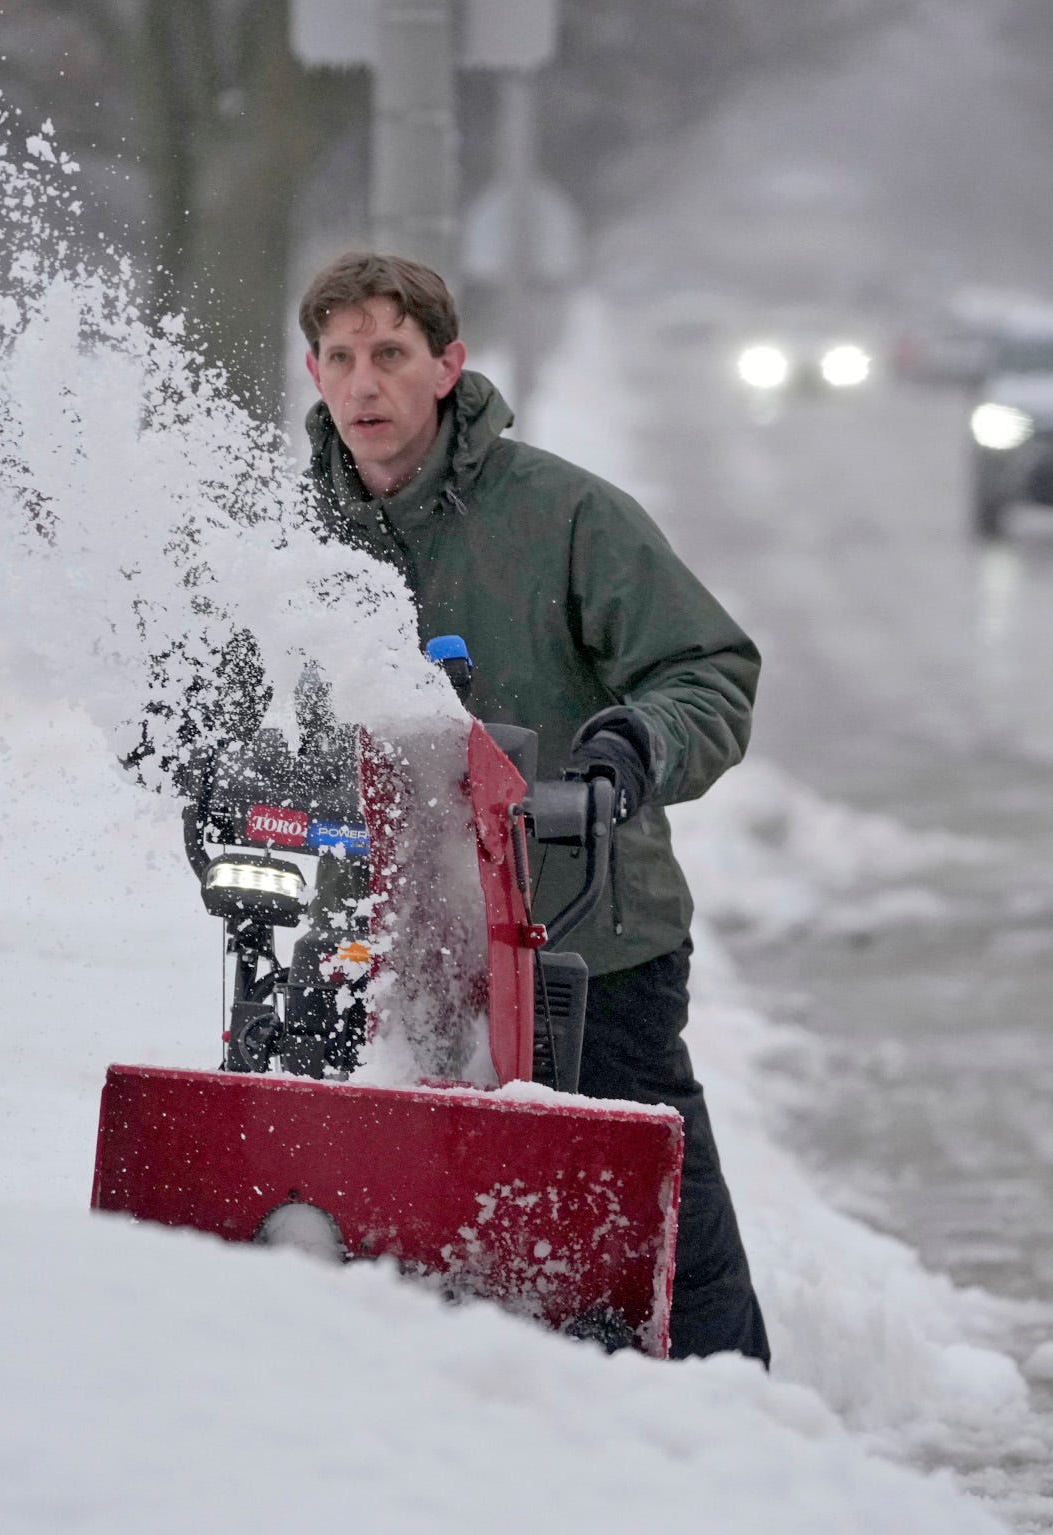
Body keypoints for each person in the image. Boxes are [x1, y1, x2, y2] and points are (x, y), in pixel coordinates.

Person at [297, 251, 769, 1364]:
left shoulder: (565, 518)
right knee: (393, 1225)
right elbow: (242, 701)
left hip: (586, 942)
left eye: (393, 355)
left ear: (450, 366)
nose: (366, 385)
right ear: (315, 373)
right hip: (383, 950)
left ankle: (736, 1423)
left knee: (647, 1231)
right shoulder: (292, 543)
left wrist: (633, 747)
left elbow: (709, 670)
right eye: (342, 358)